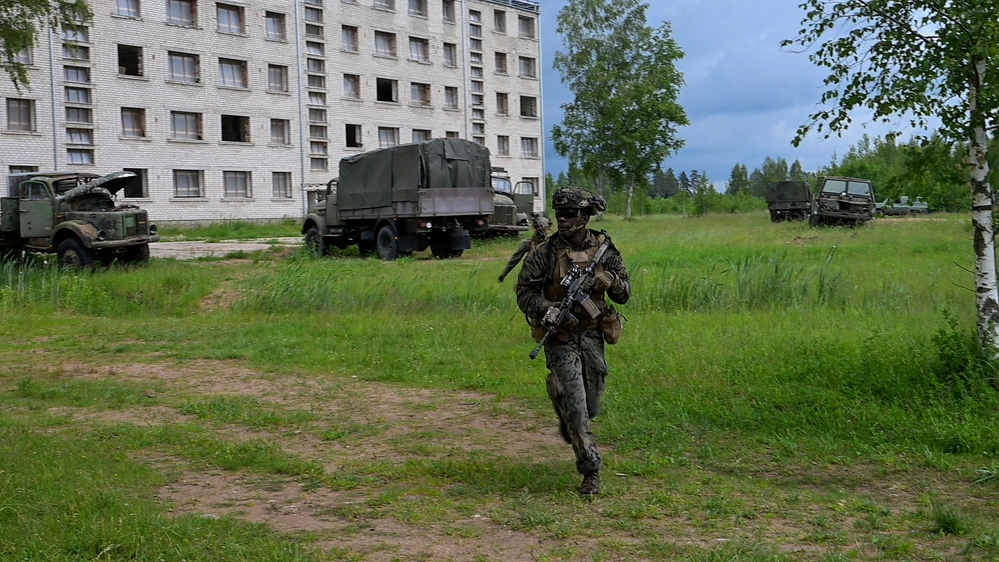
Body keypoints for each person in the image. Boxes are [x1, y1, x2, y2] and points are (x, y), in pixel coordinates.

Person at [515, 187, 631, 496]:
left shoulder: (605, 250)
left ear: (585, 216)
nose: (562, 220)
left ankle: (564, 406)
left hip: (593, 334)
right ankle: (591, 471)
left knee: (590, 405)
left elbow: (625, 294)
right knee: (578, 411)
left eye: (569, 214)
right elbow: (524, 292)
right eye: (559, 214)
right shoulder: (545, 253)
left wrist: (610, 280)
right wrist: (547, 309)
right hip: (561, 337)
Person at [497, 214, 551, 283]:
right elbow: (515, 259)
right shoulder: (528, 243)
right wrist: (504, 274)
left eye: (545, 228)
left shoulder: (552, 243)